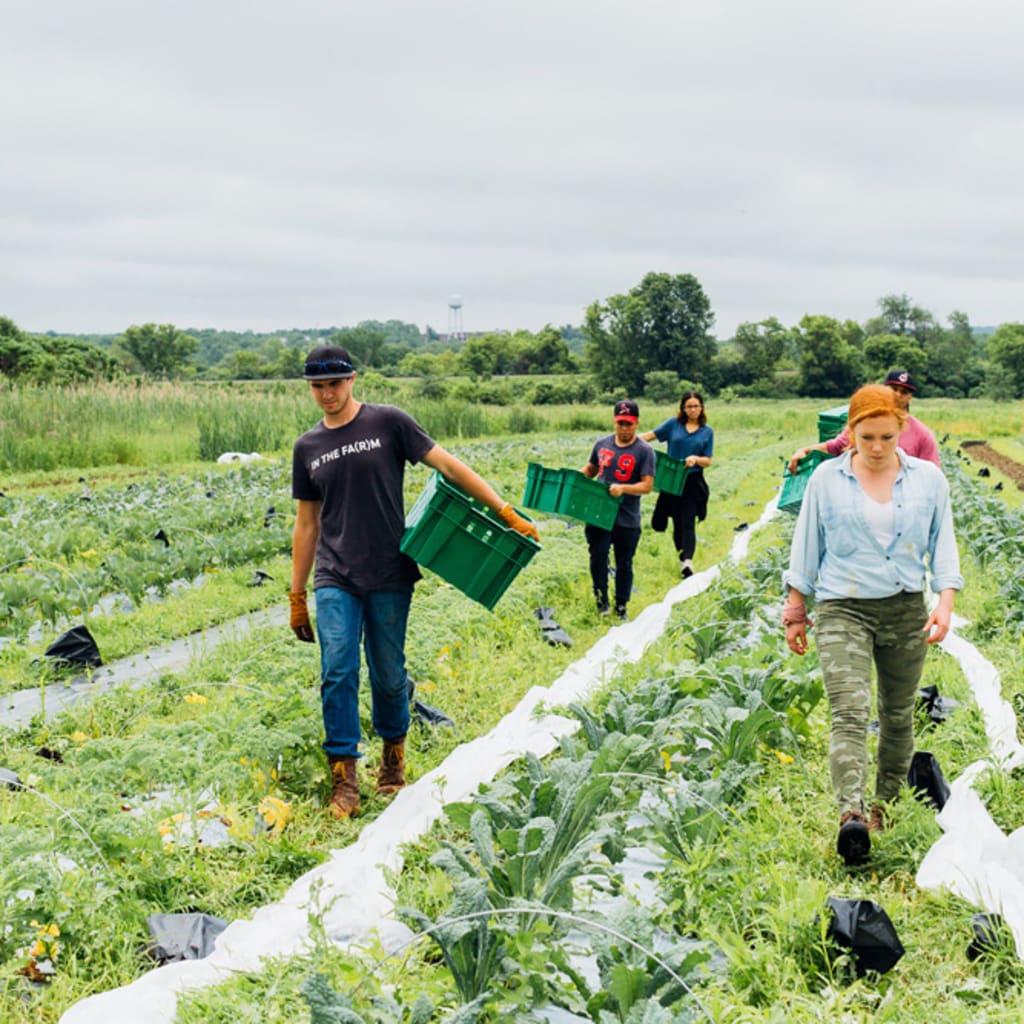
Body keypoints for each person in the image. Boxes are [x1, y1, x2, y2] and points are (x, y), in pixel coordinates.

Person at [289, 345, 539, 820]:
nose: (326, 394)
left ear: (352, 380)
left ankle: (392, 760)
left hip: (388, 571)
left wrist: (502, 509)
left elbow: (448, 466)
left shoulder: (388, 423)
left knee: (387, 674)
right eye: (317, 387)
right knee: (337, 670)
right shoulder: (308, 447)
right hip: (334, 574)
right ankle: (344, 778)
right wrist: (297, 594)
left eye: (334, 384)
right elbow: (307, 524)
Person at [782, 384, 962, 867]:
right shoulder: (826, 479)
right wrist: (796, 607)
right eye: (866, 438)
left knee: (899, 712)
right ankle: (851, 814)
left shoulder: (928, 480)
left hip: (904, 606)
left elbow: (943, 543)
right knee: (849, 710)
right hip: (843, 606)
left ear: (902, 429)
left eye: (886, 436)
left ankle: (883, 804)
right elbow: (807, 543)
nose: (877, 447)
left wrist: (945, 601)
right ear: (852, 434)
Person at [581, 399, 655, 620]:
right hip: (600, 513)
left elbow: (647, 485)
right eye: (620, 423)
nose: (624, 429)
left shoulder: (644, 450)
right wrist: (575, 480)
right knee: (598, 555)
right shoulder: (602, 445)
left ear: (637, 424)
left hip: (627, 516)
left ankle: (621, 605)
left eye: (629, 424)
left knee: (624, 562)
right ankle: (601, 600)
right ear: (615, 422)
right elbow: (592, 469)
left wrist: (623, 488)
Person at [787, 369, 939, 474]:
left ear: (910, 397)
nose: (898, 395)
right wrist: (805, 451)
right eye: (893, 389)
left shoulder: (922, 435)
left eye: (904, 392)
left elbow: (932, 475)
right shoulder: (863, 422)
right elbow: (836, 446)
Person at [639, 390, 713, 578]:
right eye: (689, 406)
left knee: (688, 521)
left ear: (701, 407)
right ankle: (682, 557)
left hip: (692, 480)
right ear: (683, 408)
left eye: (696, 406)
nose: (693, 409)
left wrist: (695, 459)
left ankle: (688, 561)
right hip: (671, 480)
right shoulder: (674, 425)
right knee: (667, 522)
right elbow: (651, 435)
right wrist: (629, 441)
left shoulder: (706, 431)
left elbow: (708, 460)